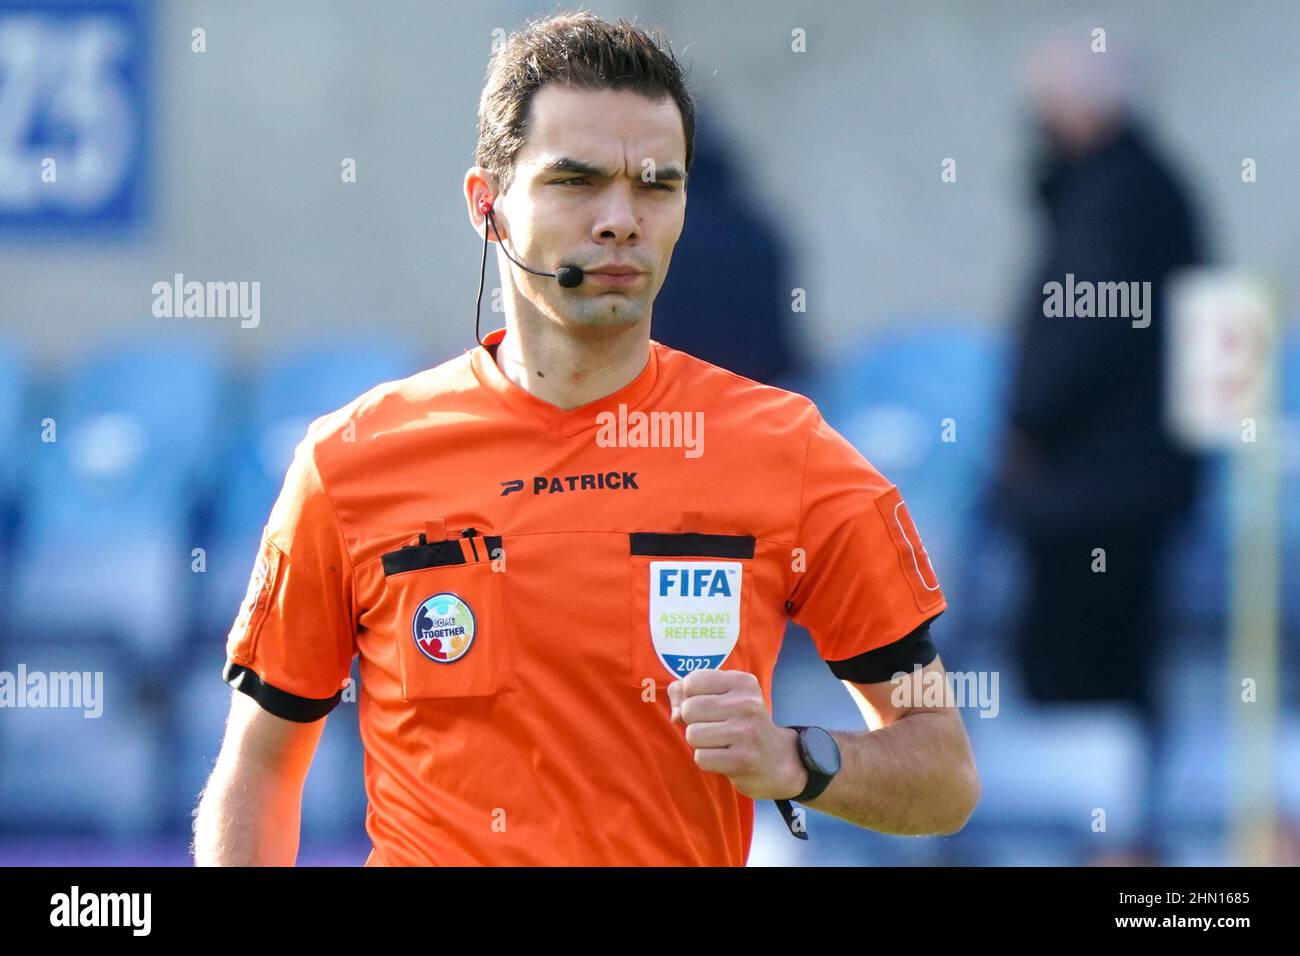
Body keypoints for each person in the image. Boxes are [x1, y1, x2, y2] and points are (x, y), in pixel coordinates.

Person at [193, 10, 977, 867]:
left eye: (655, 184)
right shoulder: (352, 462)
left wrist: (795, 759)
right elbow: (261, 769)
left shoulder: (788, 453)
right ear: (486, 205)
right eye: (577, 180)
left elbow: (943, 770)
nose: (620, 220)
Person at [994, 34, 1207, 864]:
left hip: (1092, 494)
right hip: (1127, 486)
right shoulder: (1141, 190)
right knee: (1113, 671)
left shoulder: (1113, 199)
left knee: (1080, 676)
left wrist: (1026, 421)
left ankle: (1105, 846)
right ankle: (1117, 840)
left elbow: (1080, 333)